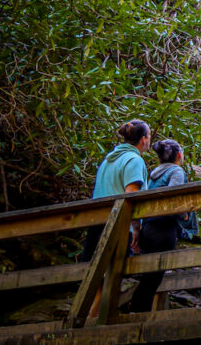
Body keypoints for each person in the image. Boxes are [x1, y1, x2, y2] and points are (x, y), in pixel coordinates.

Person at [81, 119, 151, 318]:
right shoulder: (134, 160)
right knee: (111, 279)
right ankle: (91, 330)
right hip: (117, 229)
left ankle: (87, 326)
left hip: (97, 225)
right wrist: (136, 229)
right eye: (149, 137)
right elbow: (131, 197)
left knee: (100, 285)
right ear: (143, 140)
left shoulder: (108, 159)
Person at [130, 139, 193, 312]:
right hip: (164, 230)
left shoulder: (154, 174)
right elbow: (172, 199)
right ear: (179, 155)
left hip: (148, 228)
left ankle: (138, 315)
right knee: (152, 281)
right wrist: (185, 214)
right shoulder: (177, 171)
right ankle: (137, 318)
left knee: (149, 279)